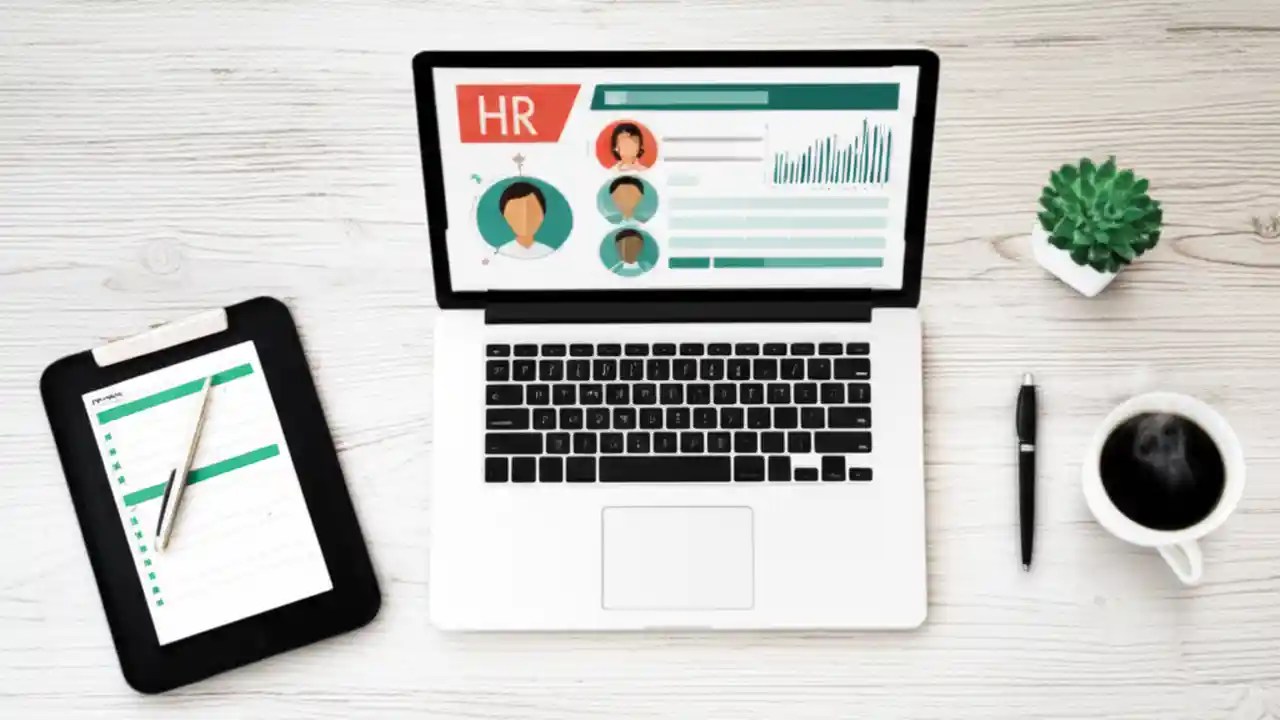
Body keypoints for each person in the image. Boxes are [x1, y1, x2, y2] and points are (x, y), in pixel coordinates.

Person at [495, 181, 554, 259]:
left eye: (531, 211)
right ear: (505, 217)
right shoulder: (501, 253)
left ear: (542, 215)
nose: (524, 217)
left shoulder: (549, 253)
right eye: (516, 213)